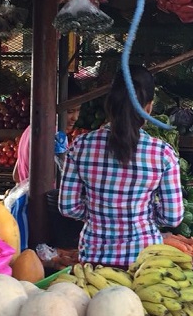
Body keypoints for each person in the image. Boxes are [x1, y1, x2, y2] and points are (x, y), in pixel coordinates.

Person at [58, 66, 184, 267]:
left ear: (110, 103)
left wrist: (98, 212)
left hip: (93, 260)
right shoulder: (163, 153)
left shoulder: (80, 147)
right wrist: (142, 215)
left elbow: (67, 207)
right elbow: (173, 216)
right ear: (149, 108)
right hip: (144, 261)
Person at [13, 79, 82, 185]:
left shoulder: (30, 129)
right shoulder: (55, 136)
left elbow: (16, 175)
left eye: (78, 110)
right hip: (44, 200)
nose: (75, 117)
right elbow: (63, 177)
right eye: (70, 111)